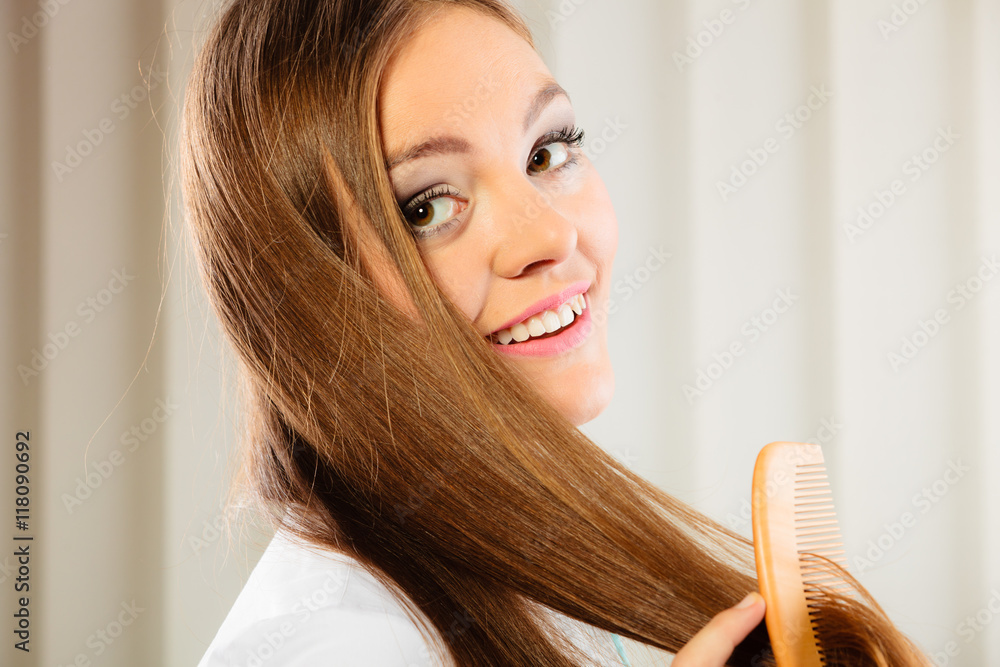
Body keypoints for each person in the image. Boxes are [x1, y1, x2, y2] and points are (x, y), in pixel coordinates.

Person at [180, 1, 929, 665]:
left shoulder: (537, 566)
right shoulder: (331, 646)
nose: (550, 233)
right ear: (306, 292)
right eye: (427, 207)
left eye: (547, 152)